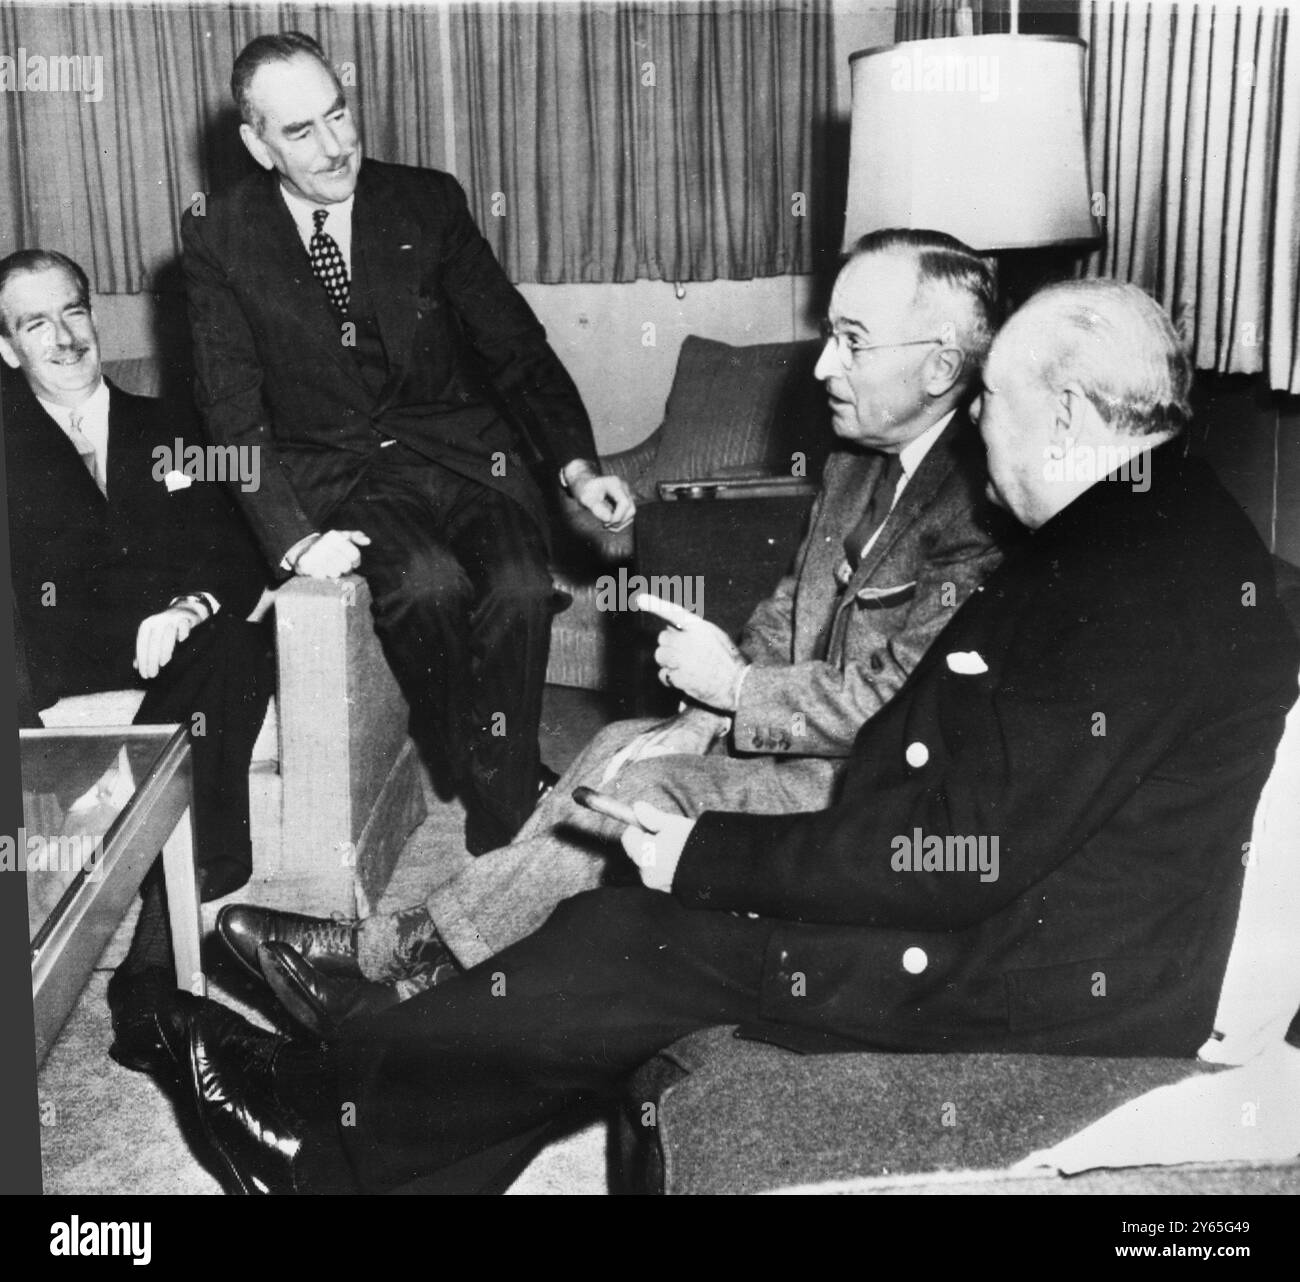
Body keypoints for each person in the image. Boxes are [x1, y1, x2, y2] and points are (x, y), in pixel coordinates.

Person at [175, 277, 1300, 1196]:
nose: (977, 429)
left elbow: (971, 852)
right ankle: (355, 1141)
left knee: (629, 936)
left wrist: (707, 855)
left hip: (1037, 979)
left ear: (1061, 416)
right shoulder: (1146, 526)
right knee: (617, 930)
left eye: (991, 400)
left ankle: (317, 1137)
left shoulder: (1136, 578)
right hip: (1021, 925)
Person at [214, 228, 1022, 1035]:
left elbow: (902, 697)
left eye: (852, 343)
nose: (820, 368)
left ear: (942, 366)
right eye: (828, 338)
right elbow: (787, 609)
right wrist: (703, 718)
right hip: (805, 743)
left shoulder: (979, 502)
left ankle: (405, 980)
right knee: (616, 749)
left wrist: (734, 690)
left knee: (641, 790)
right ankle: (411, 954)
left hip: (879, 790)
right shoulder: (858, 462)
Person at [181, 32, 635, 855]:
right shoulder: (221, 235)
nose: (334, 146)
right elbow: (228, 407)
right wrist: (291, 539)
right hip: (343, 476)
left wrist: (576, 463)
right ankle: (501, 791)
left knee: (524, 586)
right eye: (300, 132)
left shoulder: (427, 201)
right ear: (256, 144)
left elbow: (514, 347)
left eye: (340, 115)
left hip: (463, 454)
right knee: (425, 587)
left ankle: (493, 802)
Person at [0, 249, 274, 1073]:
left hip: (175, 645)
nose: (64, 335)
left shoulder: (175, 427)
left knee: (235, 635)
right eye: (34, 323)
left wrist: (188, 606)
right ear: (8, 349)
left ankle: (154, 945)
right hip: (48, 657)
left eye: (73, 311)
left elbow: (242, 550)